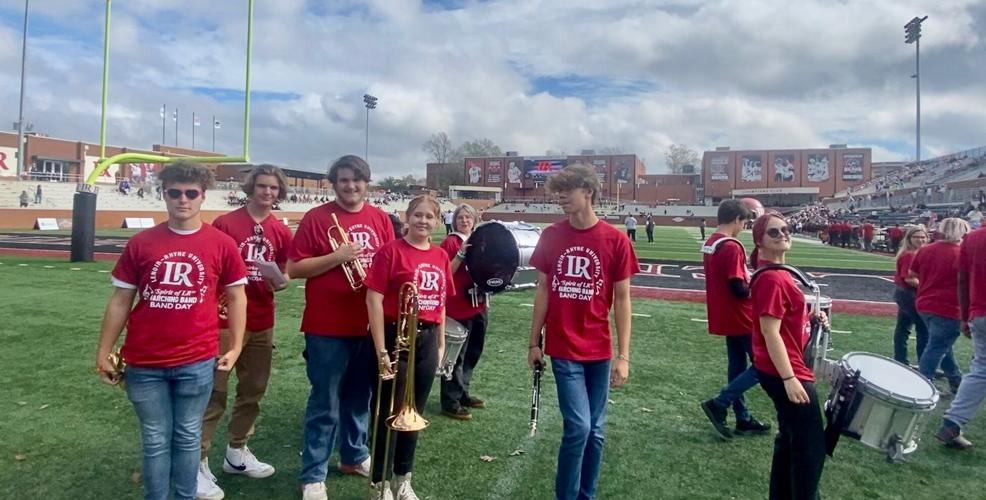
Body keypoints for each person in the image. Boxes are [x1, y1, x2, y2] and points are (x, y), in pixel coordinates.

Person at [94, 162, 248, 500]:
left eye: (191, 193)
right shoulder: (142, 242)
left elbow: (237, 297)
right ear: (164, 194)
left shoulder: (221, 243)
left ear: (203, 196)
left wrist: (235, 346)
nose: (183, 200)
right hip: (144, 360)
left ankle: (184, 495)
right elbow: (121, 299)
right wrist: (103, 351)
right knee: (154, 437)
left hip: (197, 358)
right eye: (174, 192)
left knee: (188, 434)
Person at [527, 164, 638, 500]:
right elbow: (543, 290)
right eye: (558, 191)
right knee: (579, 427)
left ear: (588, 191)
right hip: (563, 348)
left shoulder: (615, 239)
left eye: (568, 190)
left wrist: (623, 356)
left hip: (600, 351)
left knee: (597, 432)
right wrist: (533, 342)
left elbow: (622, 299)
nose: (560, 197)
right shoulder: (551, 235)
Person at [288, 156, 396, 500]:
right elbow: (294, 268)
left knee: (359, 397)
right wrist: (339, 256)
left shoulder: (380, 219)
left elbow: (389, 266)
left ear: (367, 183)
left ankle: (354, 455)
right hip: (327, 326)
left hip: (368, 325)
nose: (351, 186)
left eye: (357, 180)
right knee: (325, 400)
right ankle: (313, 475)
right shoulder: (317, 218)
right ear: (333, 183)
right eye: (344, 180)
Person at [196, 165, 294, 500]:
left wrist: (279, 280)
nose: (267, 192)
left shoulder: (280, 230)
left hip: (262, 317)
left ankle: (237, 451)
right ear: (250, 188)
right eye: (262, 186)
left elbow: (283, 276)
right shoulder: (226, 223)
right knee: (215, 391)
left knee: (253, 389)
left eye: (273, 188)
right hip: (224, 319)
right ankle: (198, 460)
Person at [365, 195, 453, 500]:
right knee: (388, 412)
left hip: (427, 339)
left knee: (412, 412)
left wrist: (440, 343)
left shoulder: (441, 256)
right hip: (394, 336)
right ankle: (381, 481)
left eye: (429, 217)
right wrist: (381, 350)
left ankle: (403, 478)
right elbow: (373, 299)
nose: (423, 221)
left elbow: (440, 302)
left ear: (438, 222)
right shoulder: (390, 251)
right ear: (407, 216)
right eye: (417, 215)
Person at [749, 212, 826, 500]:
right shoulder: (773, 279)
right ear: (760, 241)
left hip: (783, 367)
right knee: (809, 451)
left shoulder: (781, 275)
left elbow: (785, 323)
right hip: (787, 371)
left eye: (786, 229)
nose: (783, 234)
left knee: (790, 441)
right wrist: (790, 378)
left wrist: (812, 318)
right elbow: (770, 332)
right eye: (774, 232)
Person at [699, 199, 771, 440]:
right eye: (744, 222)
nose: (744, 227)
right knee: (765, 364)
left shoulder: (711, 242)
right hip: (742, 315)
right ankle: (720, 403)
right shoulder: (731, 246)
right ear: (736, 220)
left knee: (737, 366)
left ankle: (743, 417)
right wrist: (759, 288)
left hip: (725, 313)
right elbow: (738, 287)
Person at [936, 218, 986, 449]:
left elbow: (962, 280)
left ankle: (953, 422)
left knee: (980, 370)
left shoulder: (973, 238)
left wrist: (965, 315)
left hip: (978, 311)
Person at [439, 204, 489, 420]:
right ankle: (450, 401)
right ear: (454, 220)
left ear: (474, 219)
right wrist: (460, 254)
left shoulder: (479, 240)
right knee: (455, 357)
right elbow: (445, 273)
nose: (464, 220)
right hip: (458, 305)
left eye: (468, 217)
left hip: (478, 303)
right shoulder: (450, 242)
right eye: (460, 217)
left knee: (472, 353)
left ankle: (462, 392)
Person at [912, 218, 970, 396]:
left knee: (942, 345)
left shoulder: (926, 250)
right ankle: (922, 384)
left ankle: (955, 379)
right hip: (948, 306)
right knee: (937, 346)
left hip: (924, 303)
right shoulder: (961, 253)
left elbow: (913, 273)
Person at [892, 226, 929, 366]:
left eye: (923, 237)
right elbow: (909, 278)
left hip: (904, 294)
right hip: (909, 294)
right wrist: (927, 287)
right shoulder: (910, 255)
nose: (921, 240)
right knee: (923, 329)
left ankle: (900, 359)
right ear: (909, 239)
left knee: (903, 327)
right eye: (917, 237)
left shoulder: (914, 253)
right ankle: (924, 363)